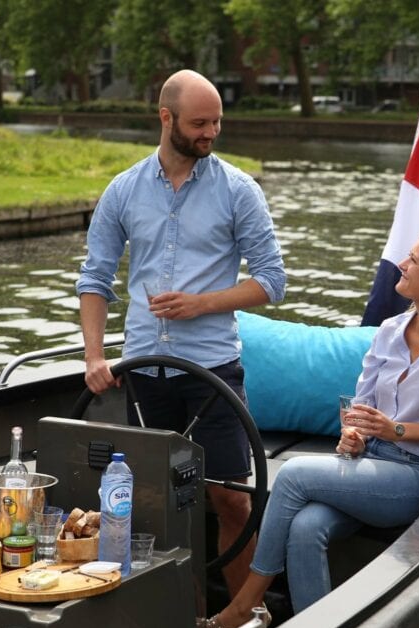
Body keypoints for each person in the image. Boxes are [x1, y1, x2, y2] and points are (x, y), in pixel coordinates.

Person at [197, 227, 419, 628]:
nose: (402, 265)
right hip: (367, 463)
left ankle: (245, 605)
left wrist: (397, 429)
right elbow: (360, 405)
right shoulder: (390, 330)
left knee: (293, 474)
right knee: (305, 528)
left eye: (413, 260)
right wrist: (352, 435)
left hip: (415, 476)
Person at [75, 69, 286, 597]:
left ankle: (245, 618)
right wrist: (95, 356)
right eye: (199, 122)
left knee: (232, 500)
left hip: (212, 371)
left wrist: (201, 304)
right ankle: (169, 618)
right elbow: (94, 278)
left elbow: (272, 281)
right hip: (144, 371)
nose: (210, 132)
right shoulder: (122, 191)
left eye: (216, 121)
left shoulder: (239, 190)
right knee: (147, 503)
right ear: (165, 118)